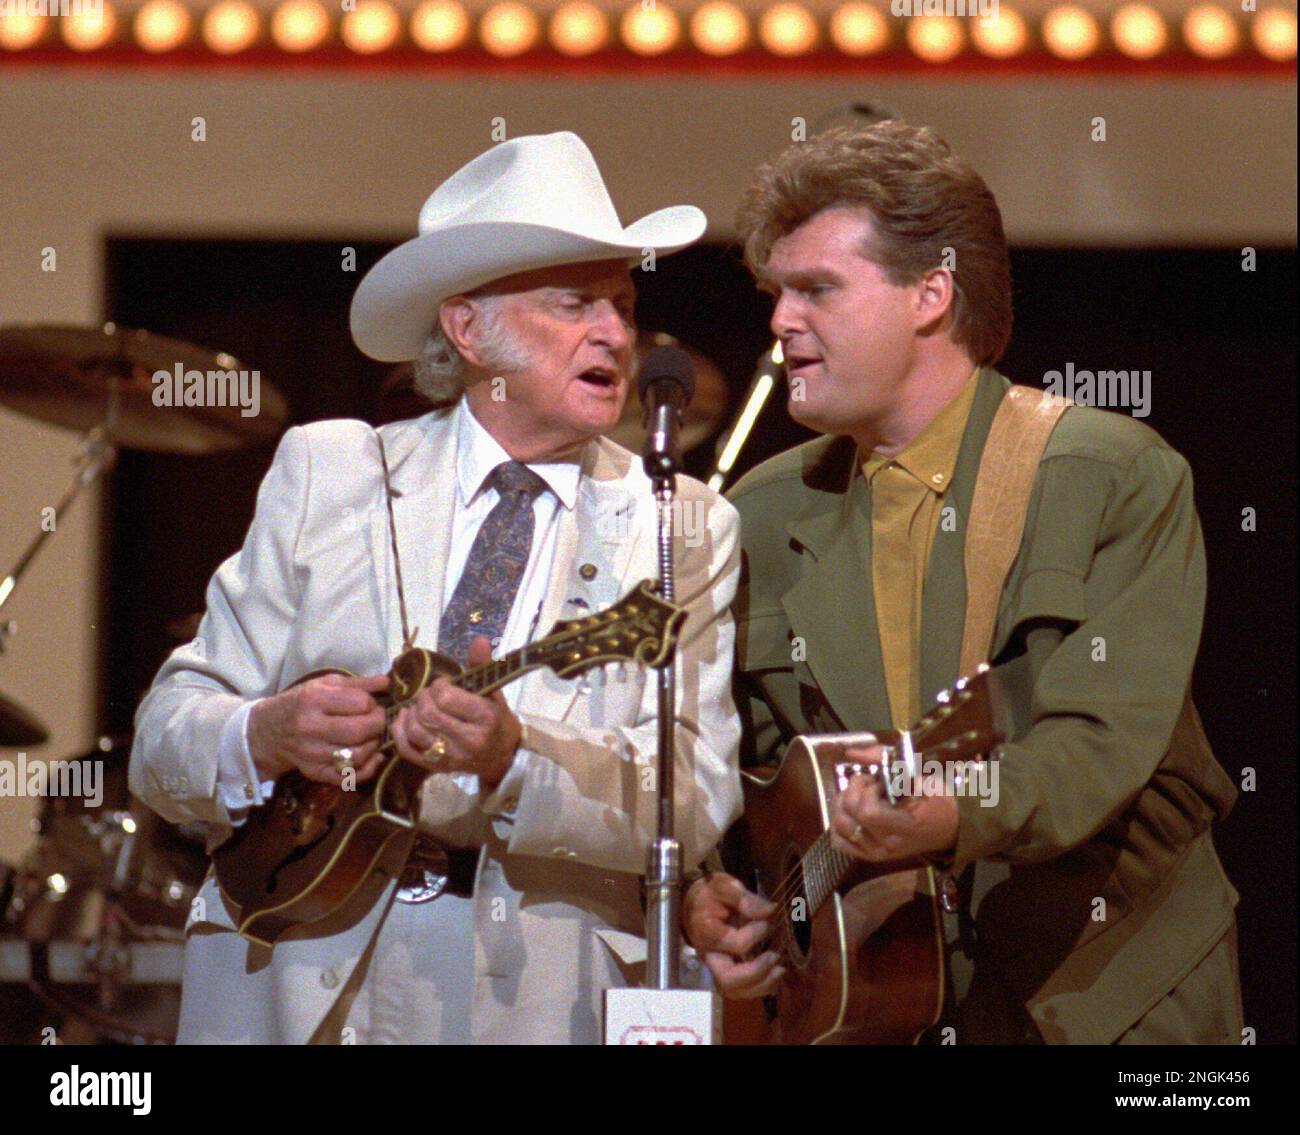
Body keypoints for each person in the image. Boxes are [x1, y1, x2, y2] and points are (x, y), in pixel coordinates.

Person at [130, 131, 741, 1044]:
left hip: (528, 1001)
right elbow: (162, 737)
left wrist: (513, 756)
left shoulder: (679, 523)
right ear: (467, 328)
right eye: (575, 302)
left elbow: (693, 793)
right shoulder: (331, 468)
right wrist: (264, 730)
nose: (615, 332)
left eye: (623, 303)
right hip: (288, 969)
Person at [684, 120, 1243, 1044]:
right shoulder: (764, 509)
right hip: (875, 999)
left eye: (816, 288)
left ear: (930, 294)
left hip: (1112, 998)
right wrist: (722, 891)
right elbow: (735, 763)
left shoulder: (1110, 473)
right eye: (776, 292)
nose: (781, 322)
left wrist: (955, 812)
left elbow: (1100, 745)